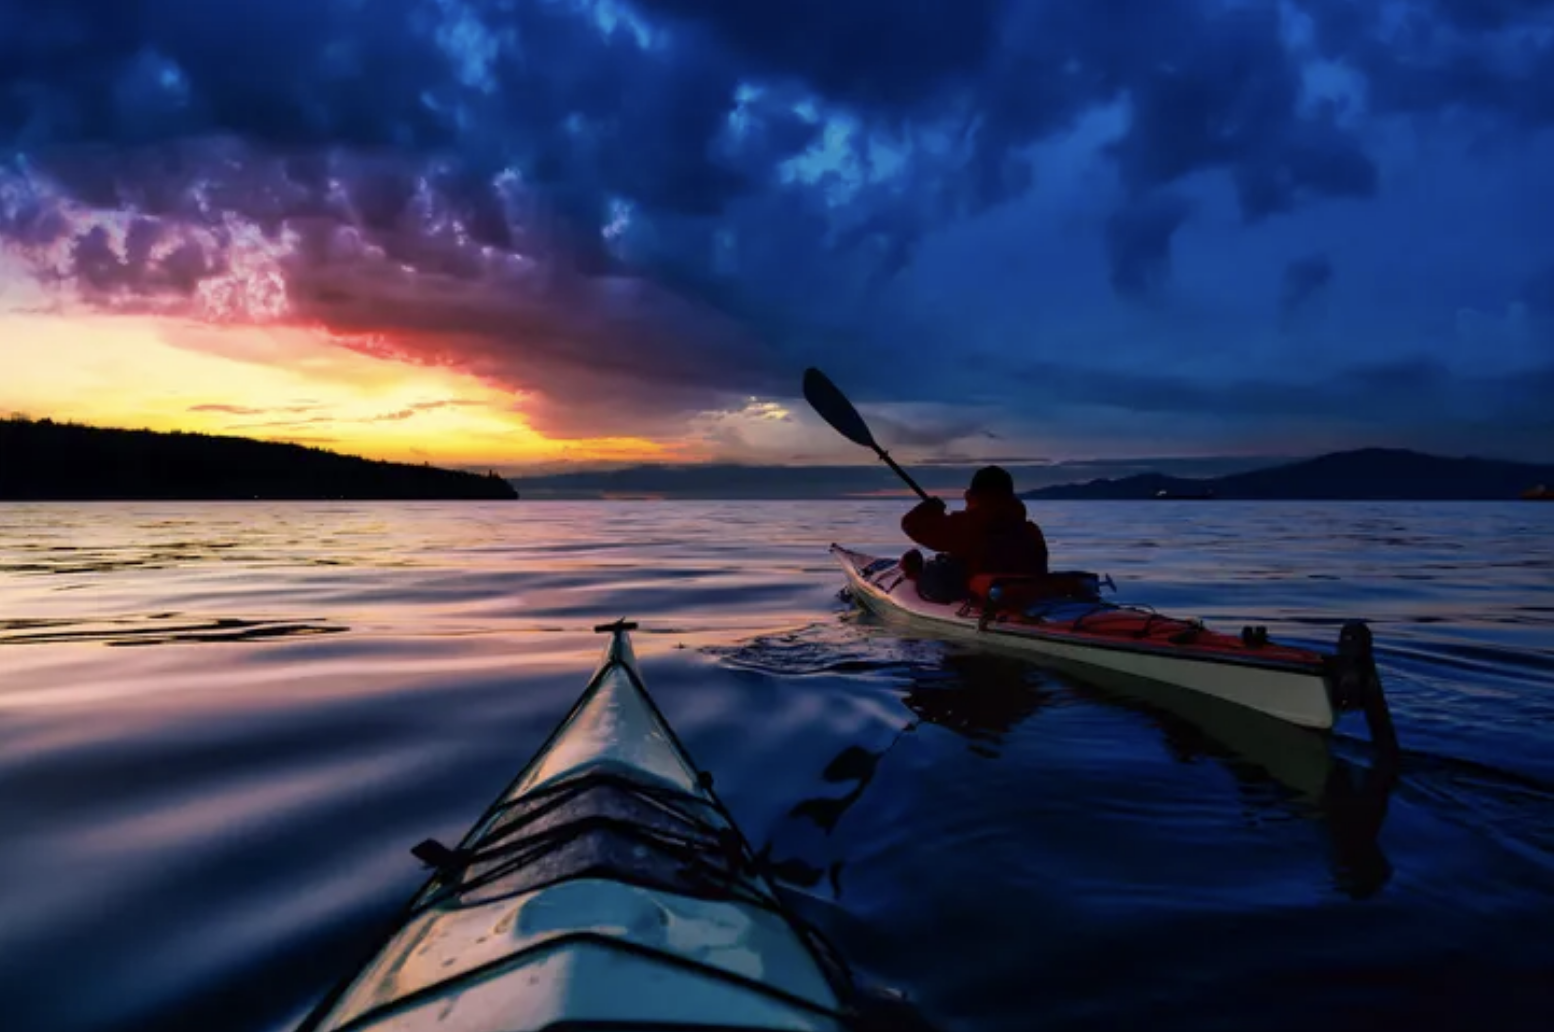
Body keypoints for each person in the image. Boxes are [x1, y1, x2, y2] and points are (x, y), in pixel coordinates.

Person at [899, 465, 1049, 602]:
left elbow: (912, 524)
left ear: (973, 494)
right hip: (1026, 593)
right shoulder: (1032, 530)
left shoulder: (968, 524)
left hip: (983, 595)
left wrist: (932, 507)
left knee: (936, 572)